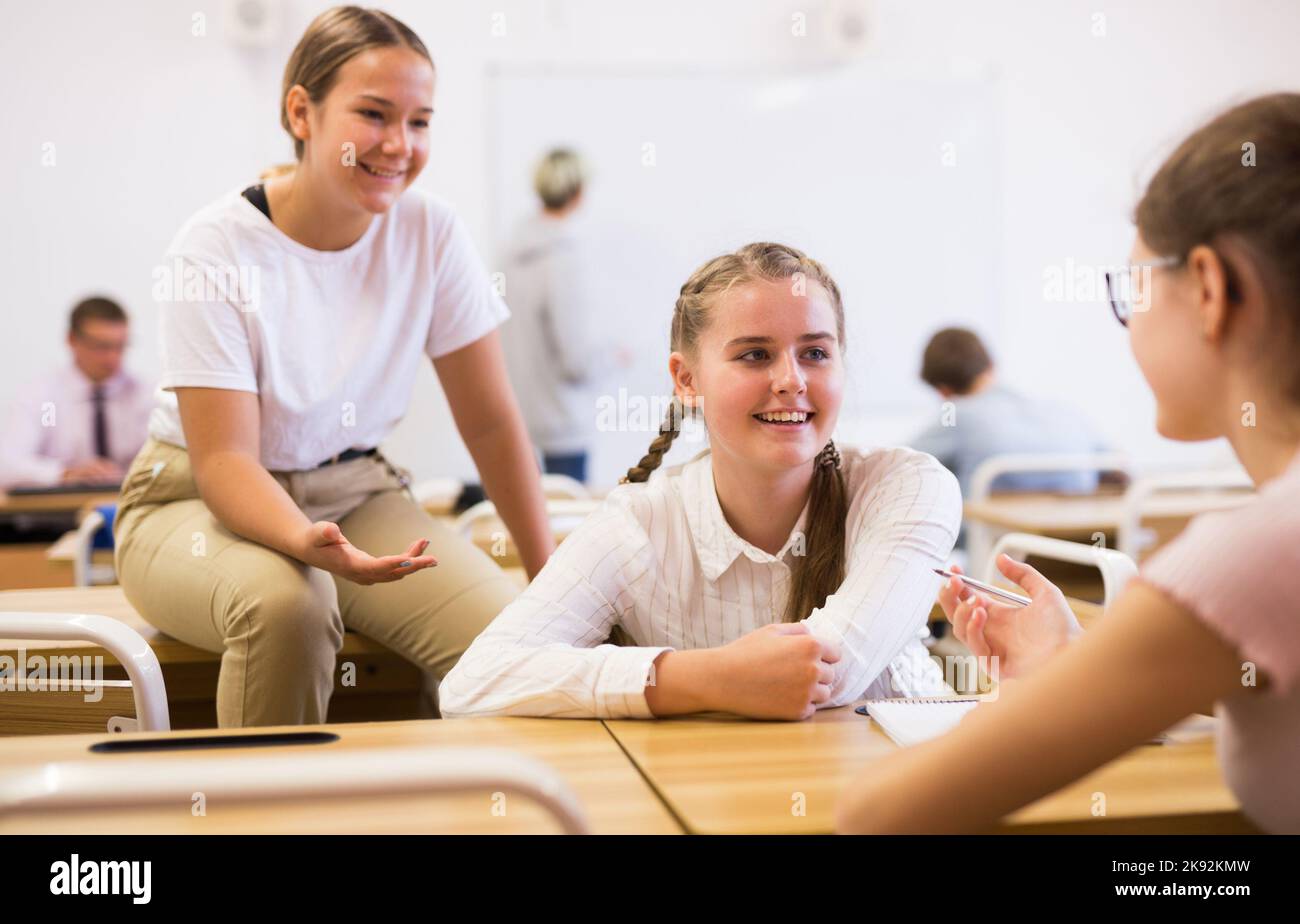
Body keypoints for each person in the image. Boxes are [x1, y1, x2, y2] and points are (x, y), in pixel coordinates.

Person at [836, 94, 1300, 834]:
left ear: (1209, 289)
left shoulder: (1255, 549)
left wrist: (1027, 702)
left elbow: (876, 816)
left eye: (1133, 291)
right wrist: (1083, 666)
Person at [113, 6, 554, 728]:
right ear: (301, 111)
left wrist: (549, 578)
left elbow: (490, 419)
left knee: (507, 643)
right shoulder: (214, 248)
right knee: (288, 604)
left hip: (352, 491)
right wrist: (302, 543)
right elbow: (225, 460)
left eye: (420, 122)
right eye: (374, 114)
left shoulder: (431, 232)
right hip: (192, 497)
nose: (398, 145)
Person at [440, 242, 961, 719]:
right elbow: (473, 685)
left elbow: (826, 674)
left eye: (816, 353)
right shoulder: (638, 524)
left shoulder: (907, 488)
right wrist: (704, 677)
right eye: (755, 354)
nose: (791, 380)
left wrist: (691, 682)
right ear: (687, 380)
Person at [499, 148, 624, 483]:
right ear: (579, 192)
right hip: (561, 429)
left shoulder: (508, 255)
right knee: (567, 530)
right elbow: (577, 363)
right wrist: (614, 358)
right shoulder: (564, 260)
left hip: (516, 424)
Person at [910, 327, 1110, 495]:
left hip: (992, 540)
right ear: (991, 366)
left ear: (943, 390)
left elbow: (892, 465)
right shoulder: (1063, 412)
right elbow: (1120, 467)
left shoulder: (958, 416)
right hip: (1072, 539)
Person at [0, 297, 153, 489]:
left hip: (126, 506)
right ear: (72, 339)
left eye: (120, 346)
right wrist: (65, 474)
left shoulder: (144, 393)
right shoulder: (42, 395)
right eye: (102, 346)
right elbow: (6, 465)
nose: (112, 357)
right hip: (55, 512)